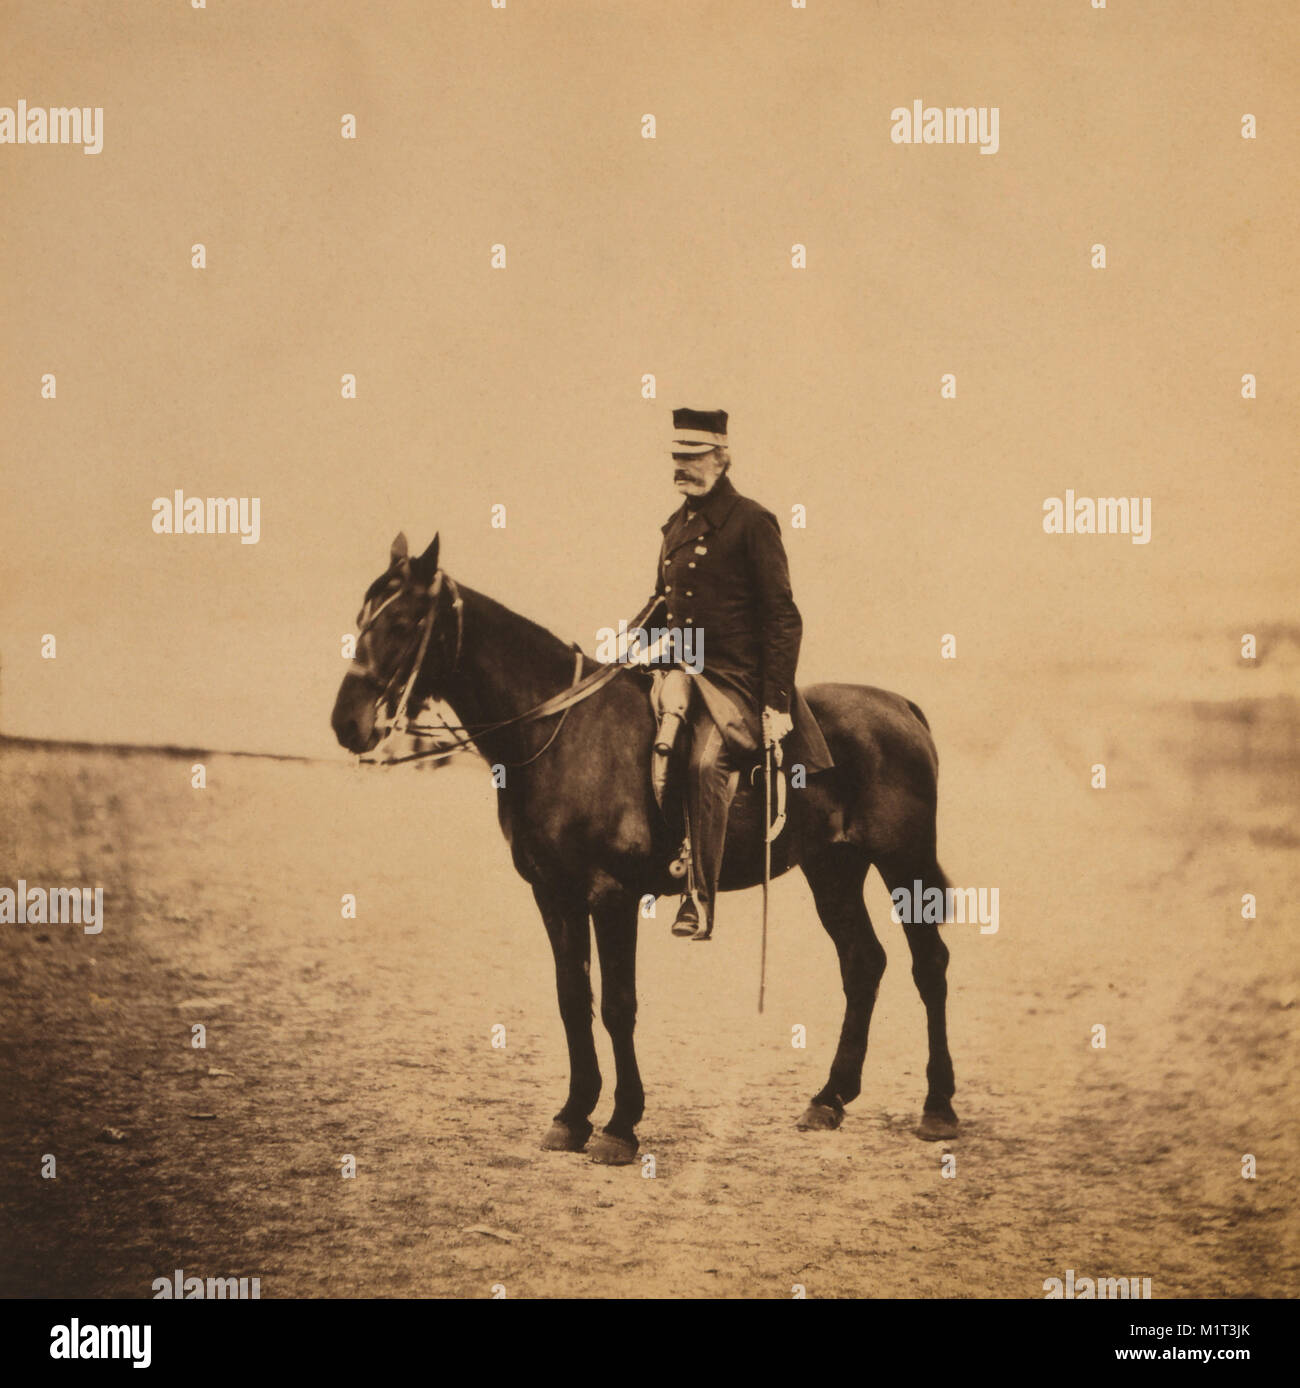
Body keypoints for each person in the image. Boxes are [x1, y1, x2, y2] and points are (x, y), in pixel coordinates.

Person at [647, 407, 831, 941]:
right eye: (677, 457)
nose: (683, 466)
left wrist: (774, 703)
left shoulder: (752, 521)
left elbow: (782, 616)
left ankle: (698, 900)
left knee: (706, 764)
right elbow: (664, 605)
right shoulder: (674, 527)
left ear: (722, 458)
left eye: (694, 456)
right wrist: (626, 648)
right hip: (682, 671)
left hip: (737, 683)